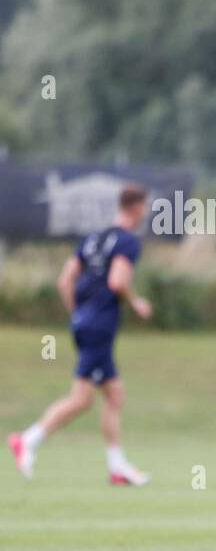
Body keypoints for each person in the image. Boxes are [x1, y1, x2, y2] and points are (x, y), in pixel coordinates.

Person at [9, 184, 153, 485]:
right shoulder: (127, 242)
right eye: (146, 206)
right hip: (100, 327)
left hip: (84, 322)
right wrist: (136, 302)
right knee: (83, 399)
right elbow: (117, 281)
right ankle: (28, 440)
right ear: (137, 207)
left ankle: (117, 466)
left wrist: (78, 314)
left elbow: (65, 280)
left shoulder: (93, 239)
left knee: (111, 395)